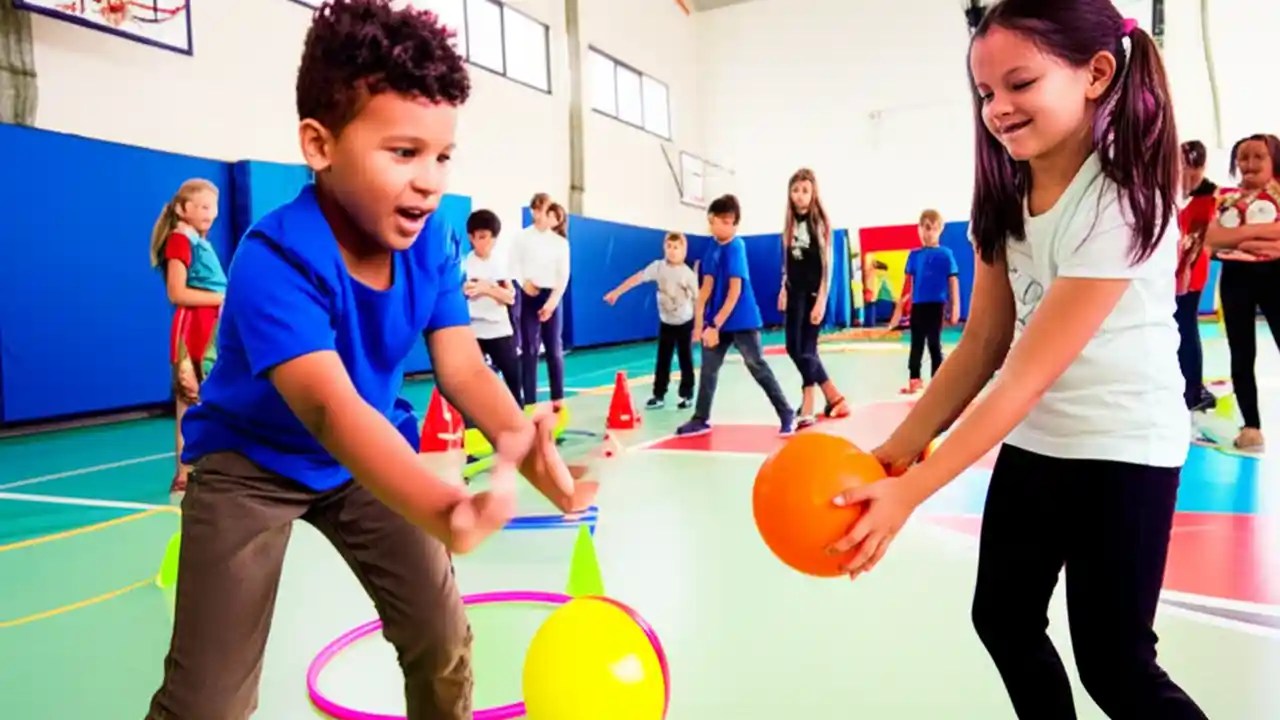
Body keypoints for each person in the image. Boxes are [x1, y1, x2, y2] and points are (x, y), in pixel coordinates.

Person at [145, 3, 590, 718]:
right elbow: (329, 408)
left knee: (442, 640)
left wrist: (556, 480)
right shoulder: (275, 259)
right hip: (249, 468)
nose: (430, 180)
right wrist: (447, 507)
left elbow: (466, 371)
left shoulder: (436, 243)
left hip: (362, 459)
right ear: (320, 145)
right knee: (209, 701)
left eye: (442, 156)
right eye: (403, 153)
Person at [830, 3, 1207, 718]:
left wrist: (912, 494)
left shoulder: (1120, 201)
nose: (997, 108)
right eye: (984, 92)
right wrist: (895, 453)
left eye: (1019, 83)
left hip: (1124, 449)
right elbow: (983, 342)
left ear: (1095, 74)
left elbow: (1024, 378)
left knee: (1115, 664)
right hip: (1041, 449)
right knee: (1002, 619)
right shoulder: (1005, 192)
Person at [677, 194, 795, 437]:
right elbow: (706, 288)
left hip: (741, 319)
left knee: (756, 365)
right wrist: (699, 324)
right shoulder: (712, 246)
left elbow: (734, 292)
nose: (711, 226)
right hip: (716, 321)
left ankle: (786, 412)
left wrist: (715, 325)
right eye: (710, 221)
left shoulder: (736, 247)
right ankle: (701, 418)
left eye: (715, 221)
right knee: (709, 367)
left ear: (730, 222)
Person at [1204, 133, 1280, 452]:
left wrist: (1239, 236)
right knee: (1241, 352)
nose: (1248, 164)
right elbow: (1211, 238)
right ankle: (1251, 426)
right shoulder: (1224, 197)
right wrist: (1260, 240)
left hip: (1276, 277)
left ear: (1274, 160)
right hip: (1236, 279)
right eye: (1243, 157)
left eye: (1257, 157)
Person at [149, 177, 225, 494]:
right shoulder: (179, 240)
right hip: (193, 330)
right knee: (190, 401)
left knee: (212, 400)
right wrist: (223, 298)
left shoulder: (200, 241)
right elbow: (176, 292)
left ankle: (207, 468)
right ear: (183, 209)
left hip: (212, 328)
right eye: (205, 206)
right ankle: (184, 475)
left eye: (215, 207)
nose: (212, 213)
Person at [778, 168, 849, 426]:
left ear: (813, 193)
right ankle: (834, 396)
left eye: (805, 191)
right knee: (792, 347)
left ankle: (809, 401)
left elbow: (827, 265)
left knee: (807, 350)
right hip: (794, 292)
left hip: (813, 293)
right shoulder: (789, 223)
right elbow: (786, 260)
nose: (799, 196)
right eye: (795, 190)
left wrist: (821, 299)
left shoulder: (818, 223)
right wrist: (782, 288)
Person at [604, 231, 699, 410]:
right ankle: (659, 394)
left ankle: (686, 394)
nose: (672, 251)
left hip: (684, 322)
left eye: (676, 247)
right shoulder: (658, 267)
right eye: (669, 246)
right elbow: (638, 278)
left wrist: (699, 326)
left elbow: (698, 299)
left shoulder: (687, 275)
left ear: (684, 250)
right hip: (666, 321)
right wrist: (617, 292)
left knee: (685, 358)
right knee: (663, 358)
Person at [887, 209, 960, 394]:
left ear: (940, 230)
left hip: (936, 305)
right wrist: (898, 311)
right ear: (919, 229)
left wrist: (956, 307)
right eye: (926, 228)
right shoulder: (914, 255)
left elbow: (953, 281)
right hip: (918, 306)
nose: (929, 233)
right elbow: (907, 287)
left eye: (933, 229)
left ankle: (937, 383)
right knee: (916, 343)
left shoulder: (946, 254)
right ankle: (914, 380)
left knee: (934, 343)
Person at [511, 195, 569, 410]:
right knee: (529, 349)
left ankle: (558, 399)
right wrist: (523, 283)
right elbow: (513, 264)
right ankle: (530, 403)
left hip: (551, 297)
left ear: (551, 212)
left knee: (554, 348)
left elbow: (563, 275)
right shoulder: (522, 237)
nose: (537, 215)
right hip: (528, 296)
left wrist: (552, 303)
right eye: (534, 210)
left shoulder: (560, 243)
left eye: (542, 210)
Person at [1174, 140, 1218, 413]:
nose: (1188, 177)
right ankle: (1182, 385)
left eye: (1194, 170)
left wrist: (1185, 272)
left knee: (1187, 328)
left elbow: (1197, 238)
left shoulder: (1209, 196)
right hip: (1170, 270)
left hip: (1190, 270)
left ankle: (1192, 390)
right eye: (1183, 169)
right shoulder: (1169, 190)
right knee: (1174, 329)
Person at [464, 209, 521, 403]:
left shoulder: (501, 263)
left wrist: (486, 287)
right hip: (474, 331)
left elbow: (509, 297)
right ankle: (472, 425)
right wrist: (490, 288)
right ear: (471, 238)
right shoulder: (464, 265)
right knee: (472, 384)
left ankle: (519, 418)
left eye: (490, 238)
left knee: (513, 377)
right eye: (480, 237)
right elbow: (466, 291)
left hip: (499, 329)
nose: (486, 242)